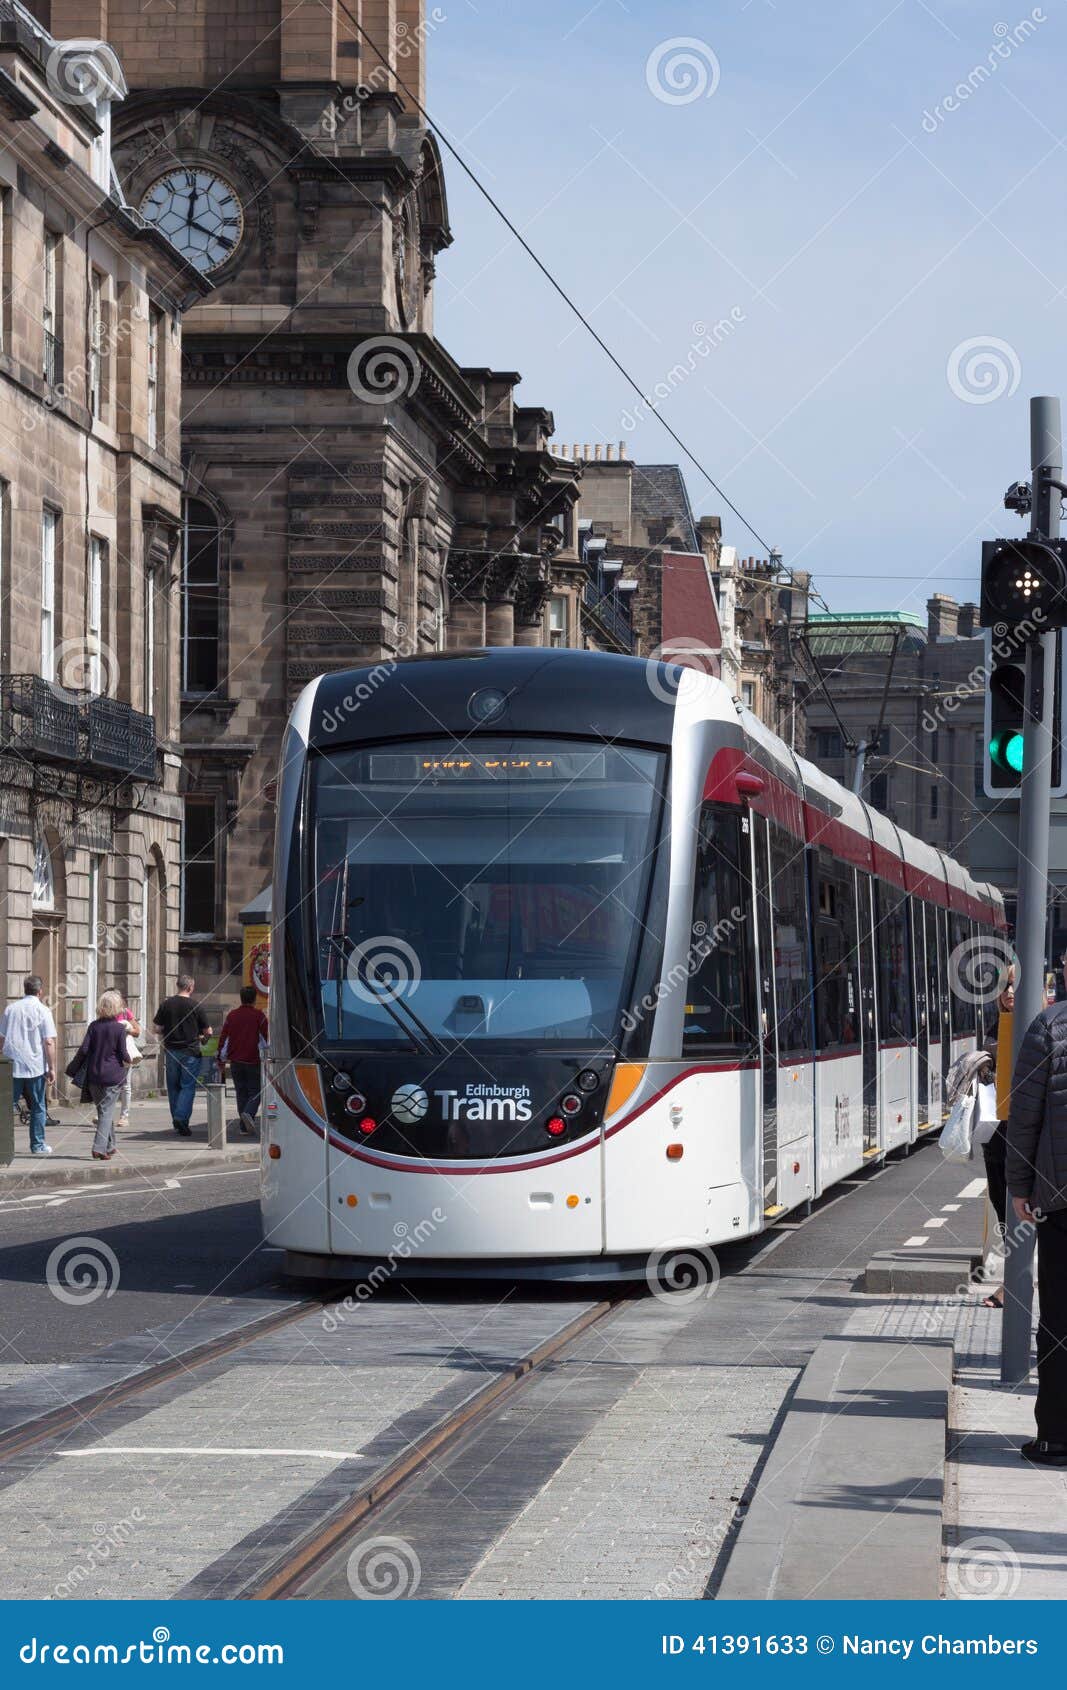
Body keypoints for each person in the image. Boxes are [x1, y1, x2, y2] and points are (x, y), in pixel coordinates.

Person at [1007, 995, 1067, 1466]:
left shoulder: (1049, 1026)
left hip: (1060, 1199)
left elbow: (1025, 1115)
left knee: (1060, 1321)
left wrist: (1019, 1186)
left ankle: (1056, 1437)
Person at [979, 972, 1015, 1308]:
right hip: (995, 1137)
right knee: (1004, 1209)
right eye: (1005, 986)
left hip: (1025, 1138)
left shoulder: (1038, 1027)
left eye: (1017, 985)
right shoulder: (992, 1029)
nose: (1010, 992)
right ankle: (1015, 1283)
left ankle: (1013, 1286)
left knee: (1025, 1212)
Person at [70, 991, 131, 1160]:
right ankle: (99, 1148)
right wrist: (130, 1060)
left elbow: (83, 1050)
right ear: (117, 1007)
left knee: (104, 1111)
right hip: (112, 1076)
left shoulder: (93, 1026)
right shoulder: (120, 1029)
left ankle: (110, 1146)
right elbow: (123, 1053)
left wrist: (73, 1068)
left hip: (94, 1076)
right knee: (106, 1113)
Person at [0, 976, 57, 1156]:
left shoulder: (11, 1009)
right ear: (40, 991)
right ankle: (38, 1145)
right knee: (38, 1106)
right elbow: (48, 1041)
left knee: (7, 1106)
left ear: (25, 989)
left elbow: (1, 1038)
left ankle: (3, 1146)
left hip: (12, 1065)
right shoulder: (43, 1010)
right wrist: (52, 1067)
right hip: (35, 1066)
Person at [152, 974, 211, 1138]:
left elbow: (156, 1028)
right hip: (191, 1052)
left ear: (178, 986)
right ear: (190, 987)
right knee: (187, 1086)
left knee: (173, 1086)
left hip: (171, 1051)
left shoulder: (166, 1004)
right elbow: (208, 1031)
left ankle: (178, 1122)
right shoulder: (196, 1006)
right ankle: (181, 1118)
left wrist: (168, 1031)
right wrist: (204, 1040)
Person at [218, 985, 269, 1136]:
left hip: (235, 1061)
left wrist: (220, 1059)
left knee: (241, 1093)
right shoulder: (259, 1016)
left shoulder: (232, 1016)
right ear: (254, 999)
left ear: (241, 998)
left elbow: (224, 1038)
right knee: (256, 1092)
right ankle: (248, 1113)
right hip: (253, 1060)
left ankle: (243, 1126)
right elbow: (267, 1040)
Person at [114, 993, 142, 1131]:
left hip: (124, 1052)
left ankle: (124, 1116)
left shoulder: (126, 1013)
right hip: (109, 1052)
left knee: (125, 1085)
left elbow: (138, 1032)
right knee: (106, 1084)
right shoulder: (105, 1014)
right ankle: (103, 1113)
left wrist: (128, 1029)